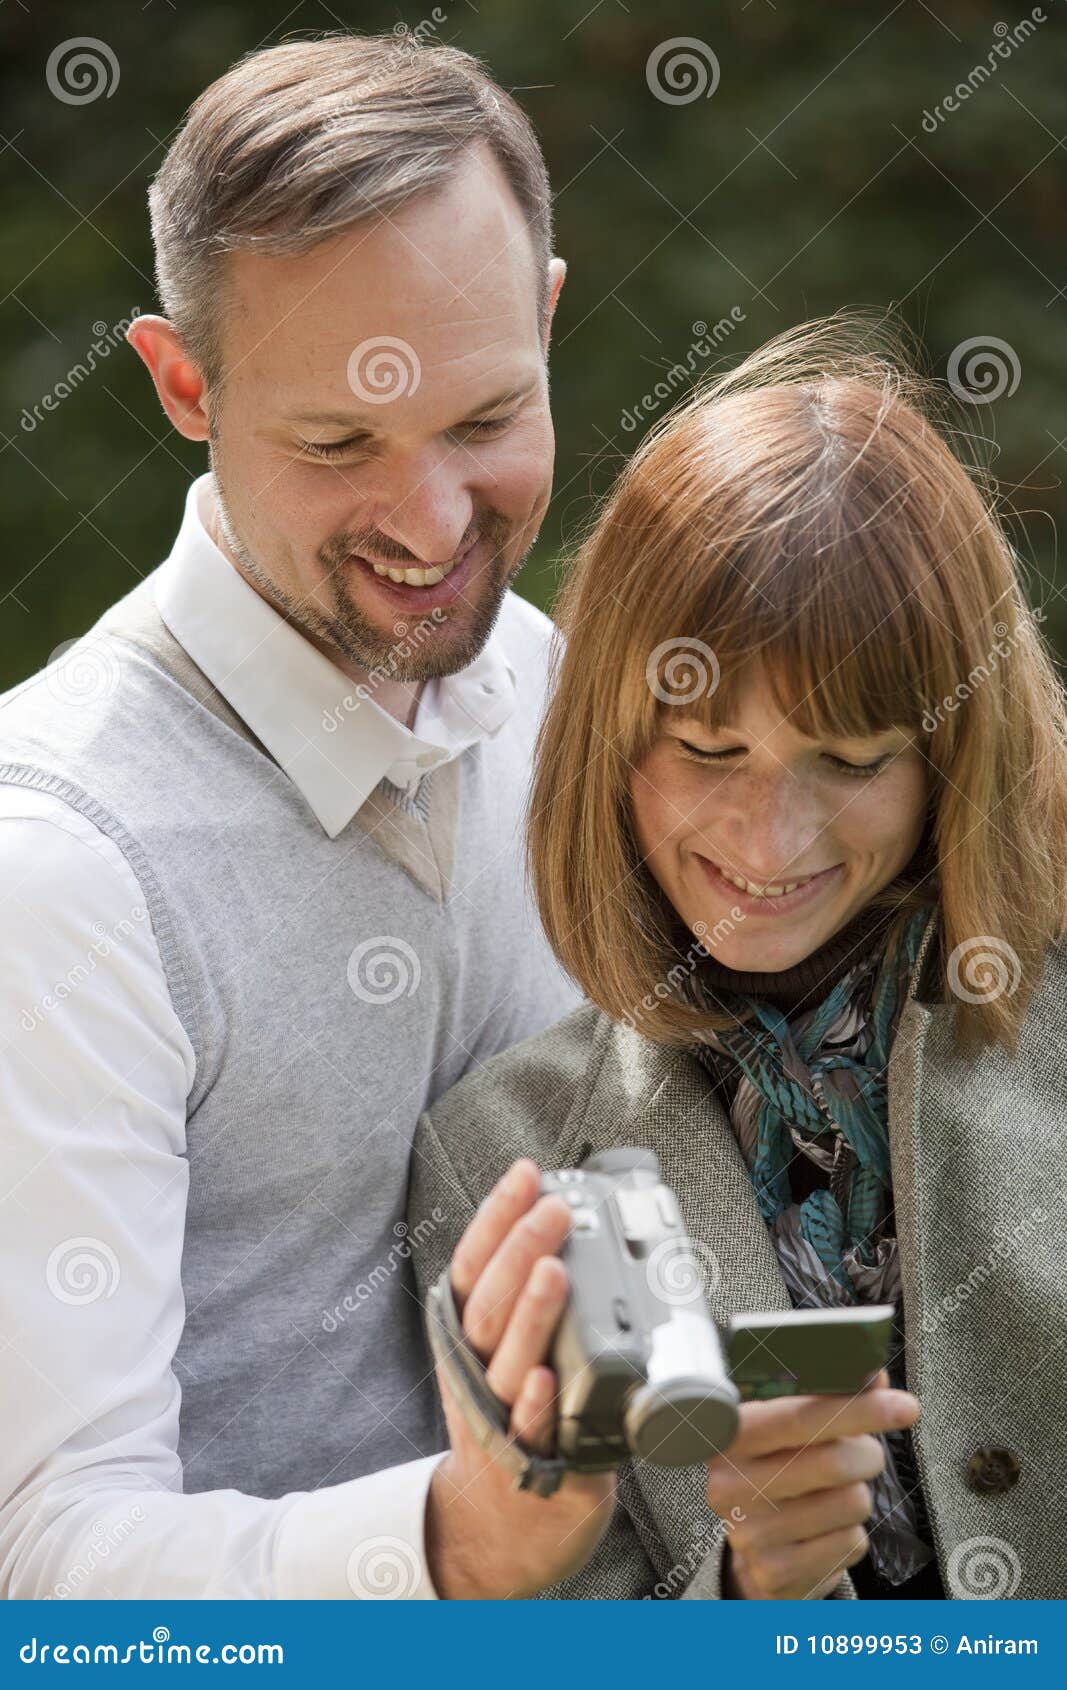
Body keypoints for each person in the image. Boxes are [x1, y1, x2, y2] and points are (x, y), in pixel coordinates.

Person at [0, 33, 605, 1600]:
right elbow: (45, 1563)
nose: (430, 525)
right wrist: (454, 1546)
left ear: (545, 318)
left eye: (484, 420)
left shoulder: (570, 693)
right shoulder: (54, 867)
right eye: (336, 443)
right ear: (184, 384)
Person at [410, 313, 1067, 1600]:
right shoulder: (519, 1155)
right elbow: (556, 1624)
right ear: (604, 736)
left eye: (852, 759)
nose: (769, 839)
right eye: (707, 751)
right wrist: (746, 1592)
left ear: (950, 753)